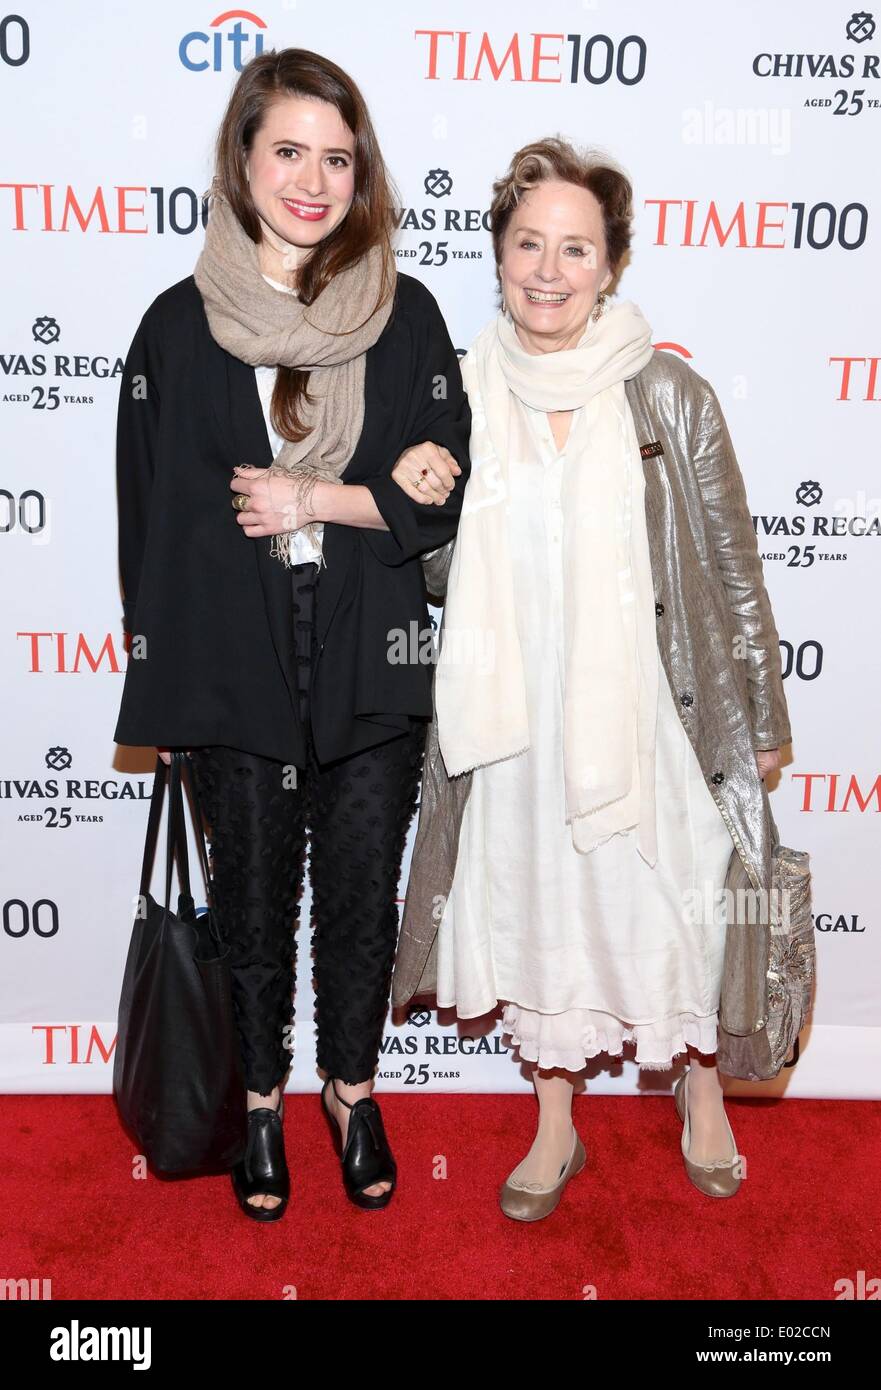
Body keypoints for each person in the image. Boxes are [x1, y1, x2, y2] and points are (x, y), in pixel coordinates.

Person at [391, 137, 791, 1221]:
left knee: (668, 906)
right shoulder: (456, 394)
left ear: (611, 263)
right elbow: (435, 571)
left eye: (575, 247)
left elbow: (730, 562)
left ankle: (697, 1087)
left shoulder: (667, 393)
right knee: (540, 907)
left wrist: (758, 709)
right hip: (515, 720)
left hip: (650, 711)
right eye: (528, 243)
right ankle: (555, 1119)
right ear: (498, 253)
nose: (548, 269)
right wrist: (415, 485)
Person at [114, 48, 470, 1220]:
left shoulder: (405, 315)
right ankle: (261, 1100)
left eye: (335, 156)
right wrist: (164, 688)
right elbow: (150, 519)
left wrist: (327, 495)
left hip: (371, 655)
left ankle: (353, 1091)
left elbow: (448, 490)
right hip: (231, 662)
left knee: (361, 899)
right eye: (288, 152)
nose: (312, 181)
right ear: (243, 160)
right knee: (255, 901)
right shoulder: (176, 327)